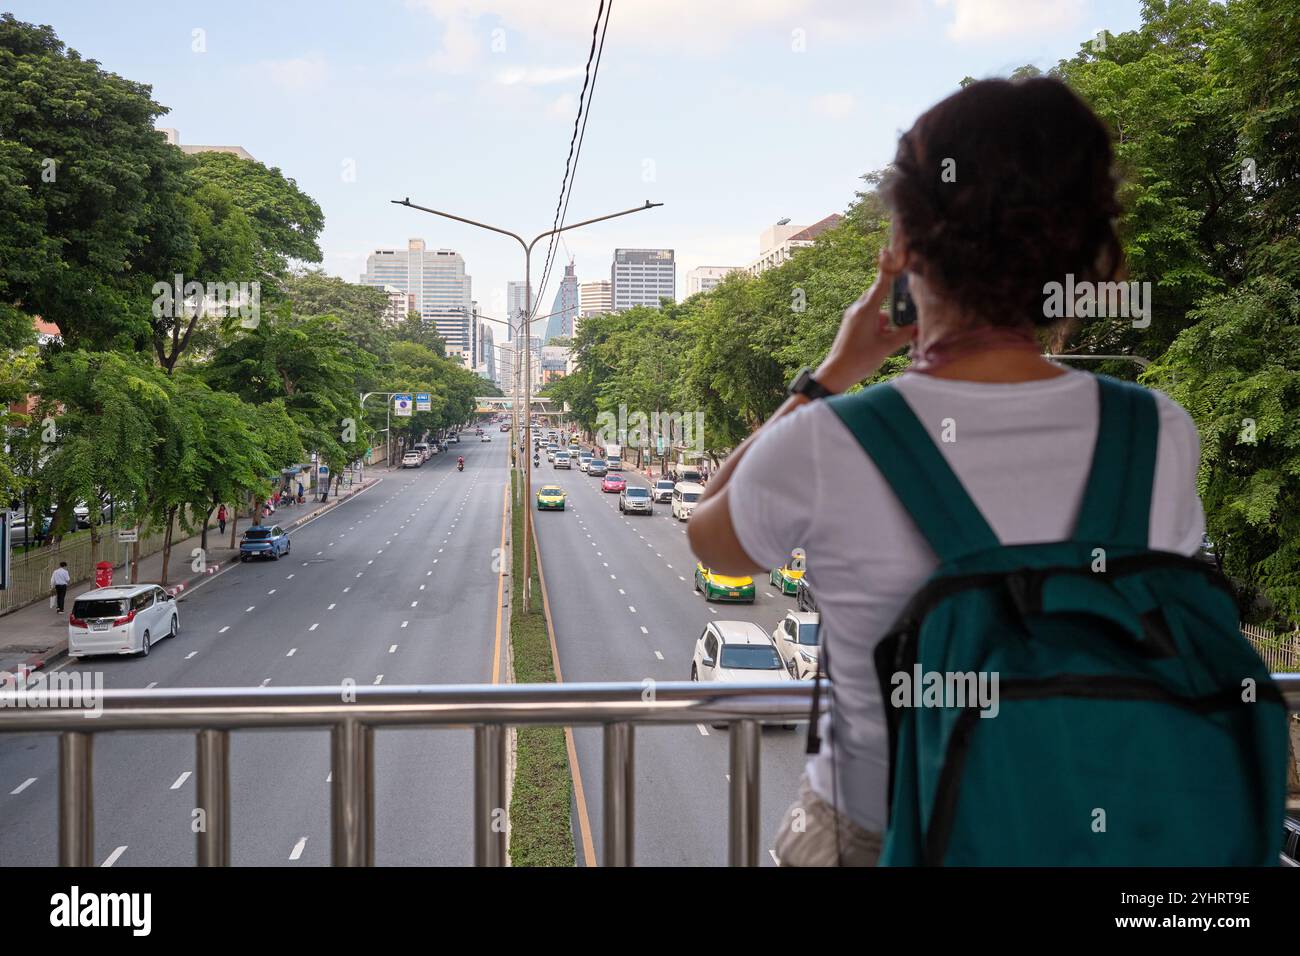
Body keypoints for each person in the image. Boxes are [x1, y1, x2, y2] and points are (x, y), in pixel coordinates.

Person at [687, 77, 1206, 866]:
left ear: (897, 251)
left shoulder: (832, 439)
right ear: (1095, 256)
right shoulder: (1158, 434)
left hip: (877, 837)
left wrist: (833, 370)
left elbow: (712, 541)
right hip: (1089, 835)